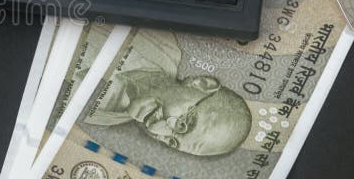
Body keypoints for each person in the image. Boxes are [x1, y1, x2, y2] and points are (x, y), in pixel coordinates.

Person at [84, 69, 252, 157]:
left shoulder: (100, 120)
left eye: (171, 141)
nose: (156, 129)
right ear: (201, 84)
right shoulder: (152, 38)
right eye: (182, 124)